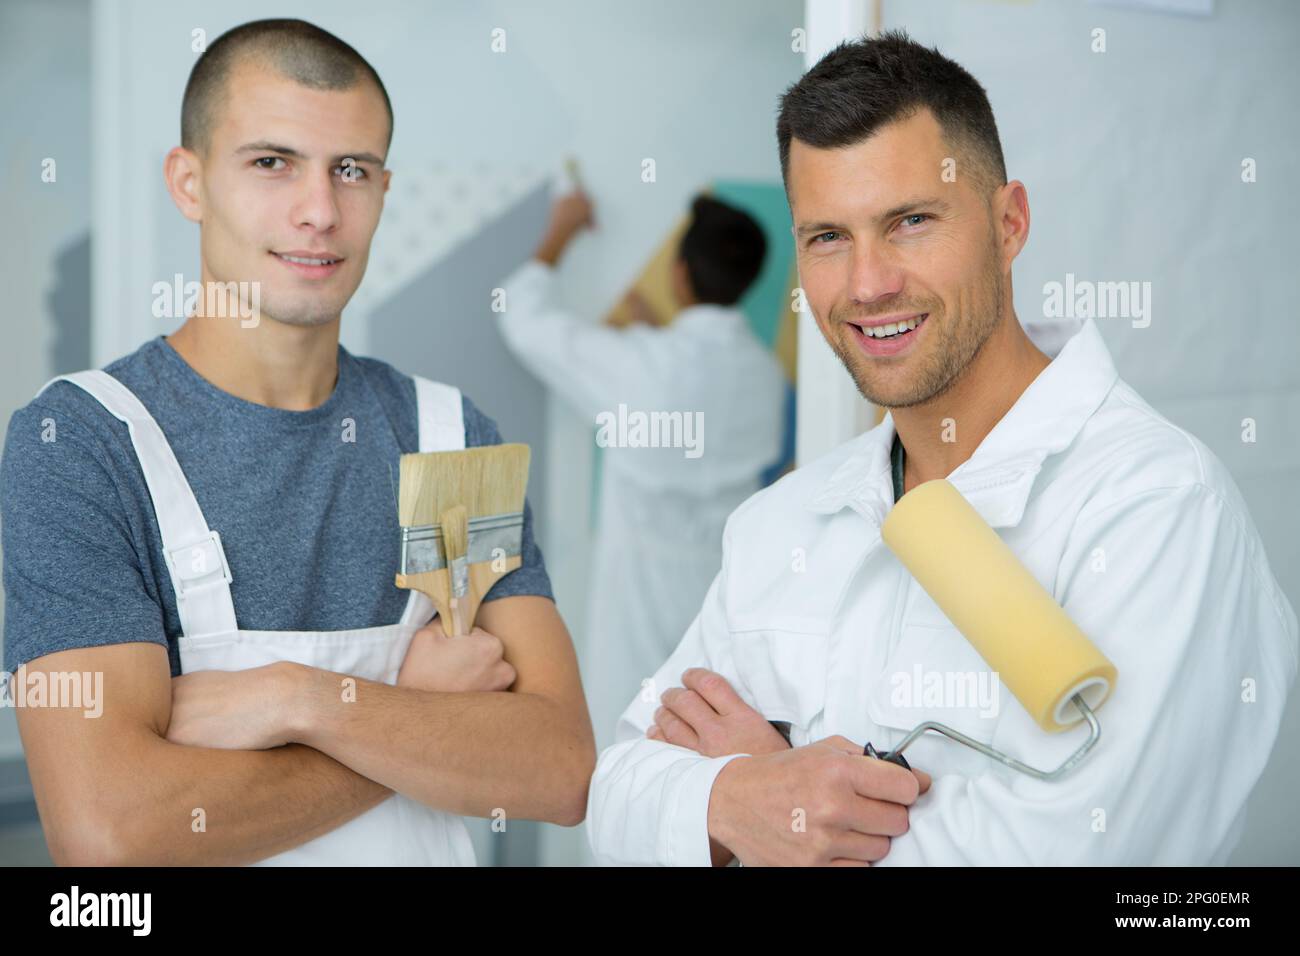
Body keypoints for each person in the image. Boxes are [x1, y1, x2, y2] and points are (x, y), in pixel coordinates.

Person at [586, 31, 1298, 866]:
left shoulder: (1158, 509)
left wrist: (767, 808)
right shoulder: (781, 524)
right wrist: (738, 796)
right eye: (827, 238)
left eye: (911, 221)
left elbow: (1087, 857)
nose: (868, 283)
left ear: (1009, 222)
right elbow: (616, 798)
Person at [1, 18, 594, 866]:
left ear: (384, 191)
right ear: (189, 180)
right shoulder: (83, 443)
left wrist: (297, 701)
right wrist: (408, 713)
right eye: (271, 162)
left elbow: (559, 770)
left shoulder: (447, 442)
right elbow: (111, 832)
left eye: (350, 171)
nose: (319, 212)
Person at [495, 192, 787, 750]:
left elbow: (523, 316)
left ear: (680, 274)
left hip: (636, 607)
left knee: (629, 754)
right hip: (723, 598)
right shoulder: (763, 374)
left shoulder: (640, 369)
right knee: (706, 758)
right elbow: (700, 399)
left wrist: (561, 230)